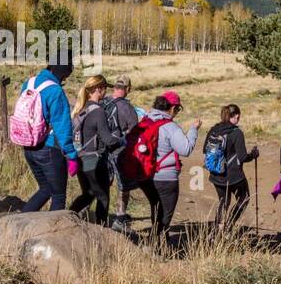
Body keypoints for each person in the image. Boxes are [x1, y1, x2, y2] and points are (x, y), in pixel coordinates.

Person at [138, 91, 200, 244]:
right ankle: (157, 247)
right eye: (177, 109)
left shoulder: (145, 120)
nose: (177, 113)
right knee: (165, 216)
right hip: (165, 177)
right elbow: (185, 149)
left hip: (145, 176)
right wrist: (193, 130)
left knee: (156, 211)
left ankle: (160, 244)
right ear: (172, 108)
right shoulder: (170, 127)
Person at [18, 61, 78, 212]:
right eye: (66, 75)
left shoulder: (29, 83)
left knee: (45, 189)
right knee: (58, 195)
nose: (65, 79)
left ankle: (20, 223)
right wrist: (71, 155)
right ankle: (53, 233)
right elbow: (62, 127)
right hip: (49, 148)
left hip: (29, 146)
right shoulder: (55, 91)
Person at [69, 74, 122, 223]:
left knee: (88, 194)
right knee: (103, 197)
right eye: (105, 89)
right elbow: (108, 139)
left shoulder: (81, 109)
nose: (106, 92)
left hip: (80, 159)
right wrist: (122, 140)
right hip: (94, 161)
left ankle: (68, 216)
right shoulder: (98, 111)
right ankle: (101, 229)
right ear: (99, 89)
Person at [203, 103, 258, 232]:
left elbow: (205, 151)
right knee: (243, 198)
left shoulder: (213, 130)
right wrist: (254, 155)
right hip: (234, 177)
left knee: (223, 202)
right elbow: (243, 157)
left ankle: (217, 230)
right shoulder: (237, 133)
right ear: (237, 116)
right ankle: (229, 224)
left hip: (216, 174)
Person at [103, 75, 141, 218]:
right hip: (120, 151)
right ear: (128, 89)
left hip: (101, 149)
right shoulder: (128, 108)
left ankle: (98, 212)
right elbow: (134, 132)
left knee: (103, 183)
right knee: (123, 185)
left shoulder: (103, 102)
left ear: (114, 87)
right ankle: (120, 213)